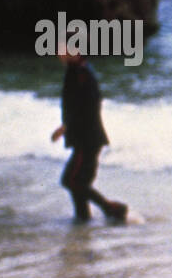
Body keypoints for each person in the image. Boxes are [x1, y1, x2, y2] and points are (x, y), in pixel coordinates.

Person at [50, 46, 127, 222]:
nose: (58, 53)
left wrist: (66, 127)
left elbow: (89, 106)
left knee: (71, 180)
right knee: (78, 182)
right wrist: (65, 127)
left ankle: (113, 208)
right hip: (84, 138)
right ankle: (82, 221)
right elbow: (76, 106)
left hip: (88, 139)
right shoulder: (75, 71)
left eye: (62, 49)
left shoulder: (81, 73)